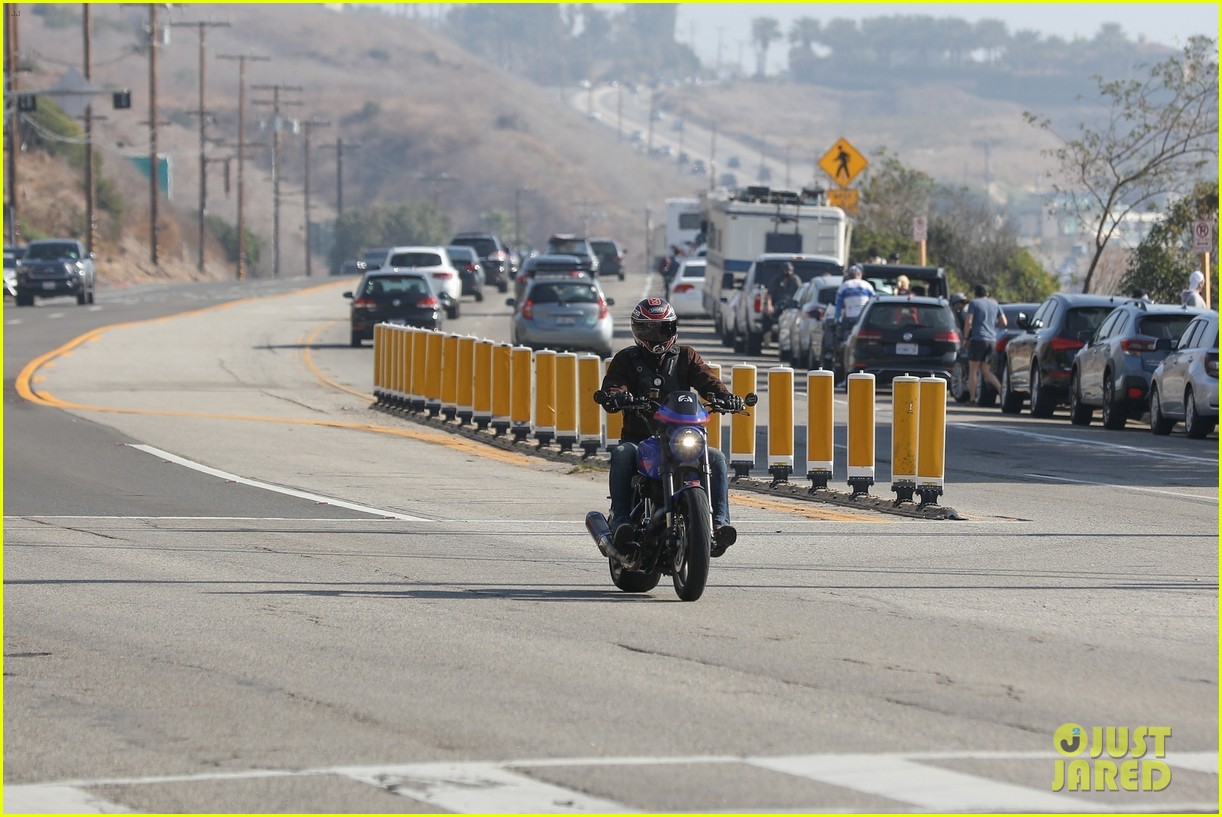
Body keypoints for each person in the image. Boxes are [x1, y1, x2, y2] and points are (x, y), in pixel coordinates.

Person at [601, 298, 742, 558]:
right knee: (622, 454)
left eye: (663, 329)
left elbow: (707, 380)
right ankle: (621, 519)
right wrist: (616, 396)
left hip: (680, 438)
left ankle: (719, 523)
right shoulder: (626, 359)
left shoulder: (686, 356)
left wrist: (726, 397)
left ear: (673, 328)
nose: (657, 336)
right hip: (641, 439)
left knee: (717, 459)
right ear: (637, 330)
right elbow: (613, 386)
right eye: (649, 329)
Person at [962, 283, 1007, 405]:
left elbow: (969, 321)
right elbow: (1004, 322)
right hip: (991, 340)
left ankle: (972, 399)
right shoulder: (995, 304)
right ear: (987, 293)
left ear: (975, 293)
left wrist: (966, 338)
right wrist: (992, 326)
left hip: (978, 339)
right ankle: (1002, 392)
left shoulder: (974, 303)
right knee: (986, 371)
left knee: (973, 370)